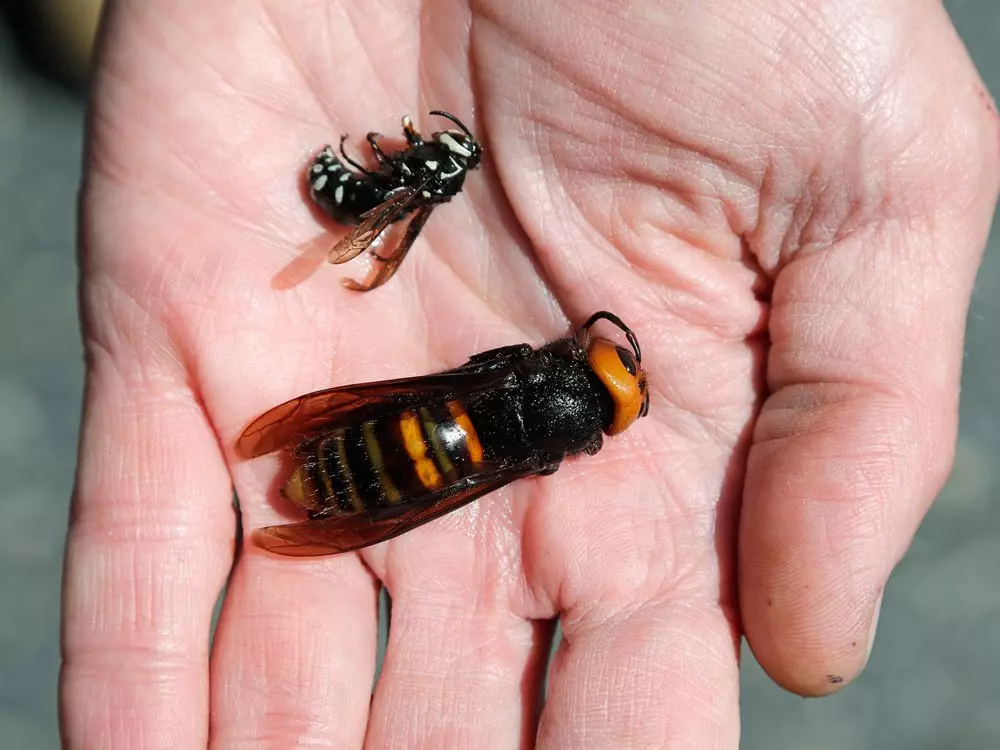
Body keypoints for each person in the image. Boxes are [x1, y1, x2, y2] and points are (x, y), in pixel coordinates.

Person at [59, 1, 999, 747]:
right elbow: (501, 433)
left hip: (392, 427)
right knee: (432, 464)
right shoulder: (551, 444)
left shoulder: (528, 372)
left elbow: (462, 382)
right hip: (413, 463)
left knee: (421, 427)